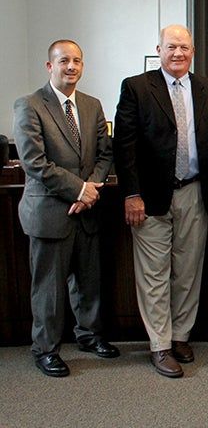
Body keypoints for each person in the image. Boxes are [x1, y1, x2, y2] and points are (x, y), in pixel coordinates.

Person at [113, 24, 208, 378]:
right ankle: (160, 345)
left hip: (195, 190)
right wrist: (131, 193)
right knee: (154, 274)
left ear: (193, 52)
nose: (178, 53)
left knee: (188, 270)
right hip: (149, 196)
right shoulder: (136, 87)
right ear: (159, 49)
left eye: (185, 48)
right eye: (172, 47)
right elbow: (124, 145)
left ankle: (180, 335)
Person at [13, 39, 117, 377]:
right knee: (49, 288)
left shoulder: (91, 105)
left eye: (76, 61)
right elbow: (35, 163)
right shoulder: (29, 105)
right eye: (63, 61)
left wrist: (91, 189)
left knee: (88, 282)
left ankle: (88, 336)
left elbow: (105, 154)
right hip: (49, 211)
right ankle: (45, 350)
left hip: (87, 210)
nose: (70, 66)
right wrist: (79, 190)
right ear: (50, 66)